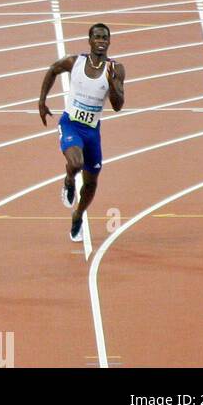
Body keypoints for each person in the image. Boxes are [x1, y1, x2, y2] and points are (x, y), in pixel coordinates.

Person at [38, 24, 126, 242]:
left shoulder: (116, 69)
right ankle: (68, 180)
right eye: (97, 37)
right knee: (75, 163)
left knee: (91, 183)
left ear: (109, 41)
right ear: (89, 40)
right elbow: (52, 70)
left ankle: (78, 215)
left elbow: (118, 106)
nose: (101, 41)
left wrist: (112, 83)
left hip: (92, 132)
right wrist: (41, 101)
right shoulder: (75, 62)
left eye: (105, 37)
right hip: (71, 125)